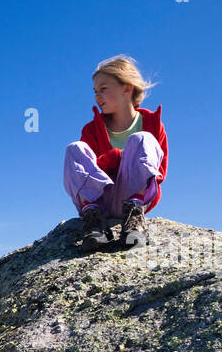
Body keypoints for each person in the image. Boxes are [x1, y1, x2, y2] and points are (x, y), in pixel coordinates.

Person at [64, 54, 168, 251]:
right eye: (95, 91)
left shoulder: (153, 125)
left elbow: (158, 171)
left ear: (127, 88)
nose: (97, 97)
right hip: (100, 198)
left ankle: (133, 222)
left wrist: (119, 159)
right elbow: (88, 171)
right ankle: (94, 223)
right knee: (75, 149)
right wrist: (119, 156)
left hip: (135, 197)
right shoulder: (91, 129)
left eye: (103, 89)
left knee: (142, 139)